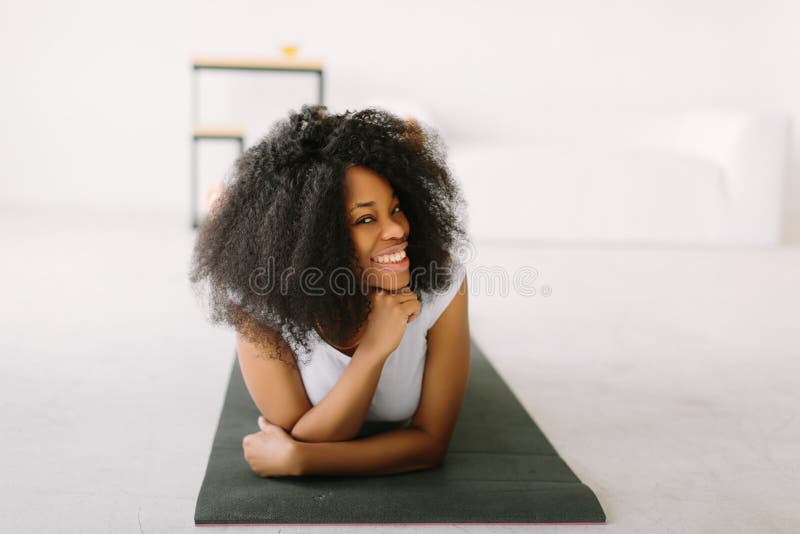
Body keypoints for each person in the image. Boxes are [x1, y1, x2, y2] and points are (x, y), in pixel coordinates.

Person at [189, 104, 471, 478]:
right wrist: (373, 350)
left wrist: (301, 461)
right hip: (278, 259)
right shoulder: (257, 298)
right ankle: (220, 203)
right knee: (228, 213)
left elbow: (430, 446)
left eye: (397, 208)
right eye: (366, 218)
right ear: (317, 238)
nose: (398, 230)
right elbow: (301, 431)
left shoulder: (443, 282)